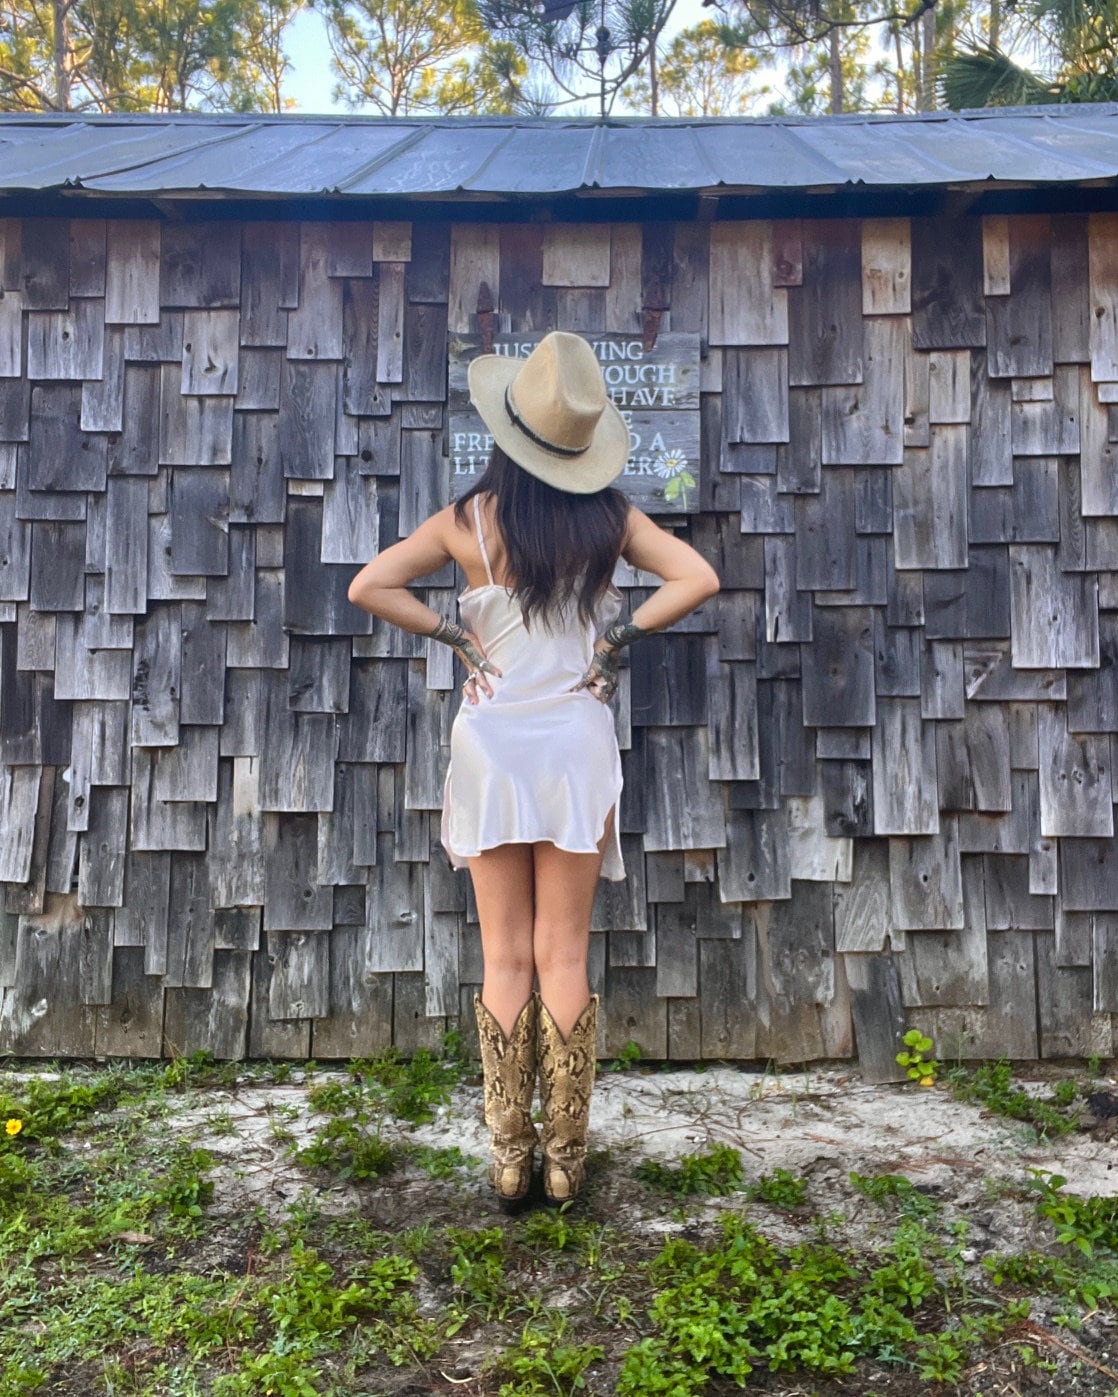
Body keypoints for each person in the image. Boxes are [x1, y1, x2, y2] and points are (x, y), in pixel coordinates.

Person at [347, 331, 719, 1210]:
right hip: (575, 750)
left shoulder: (467, 522)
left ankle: (509, 1157)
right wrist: (618, 640)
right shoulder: (609, 521)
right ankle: (566, 1160)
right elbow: (696, 576)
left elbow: (370, 585)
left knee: (504, 954)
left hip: (492, 748)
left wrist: (452, 635)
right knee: (564, 953)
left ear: (506, 433)